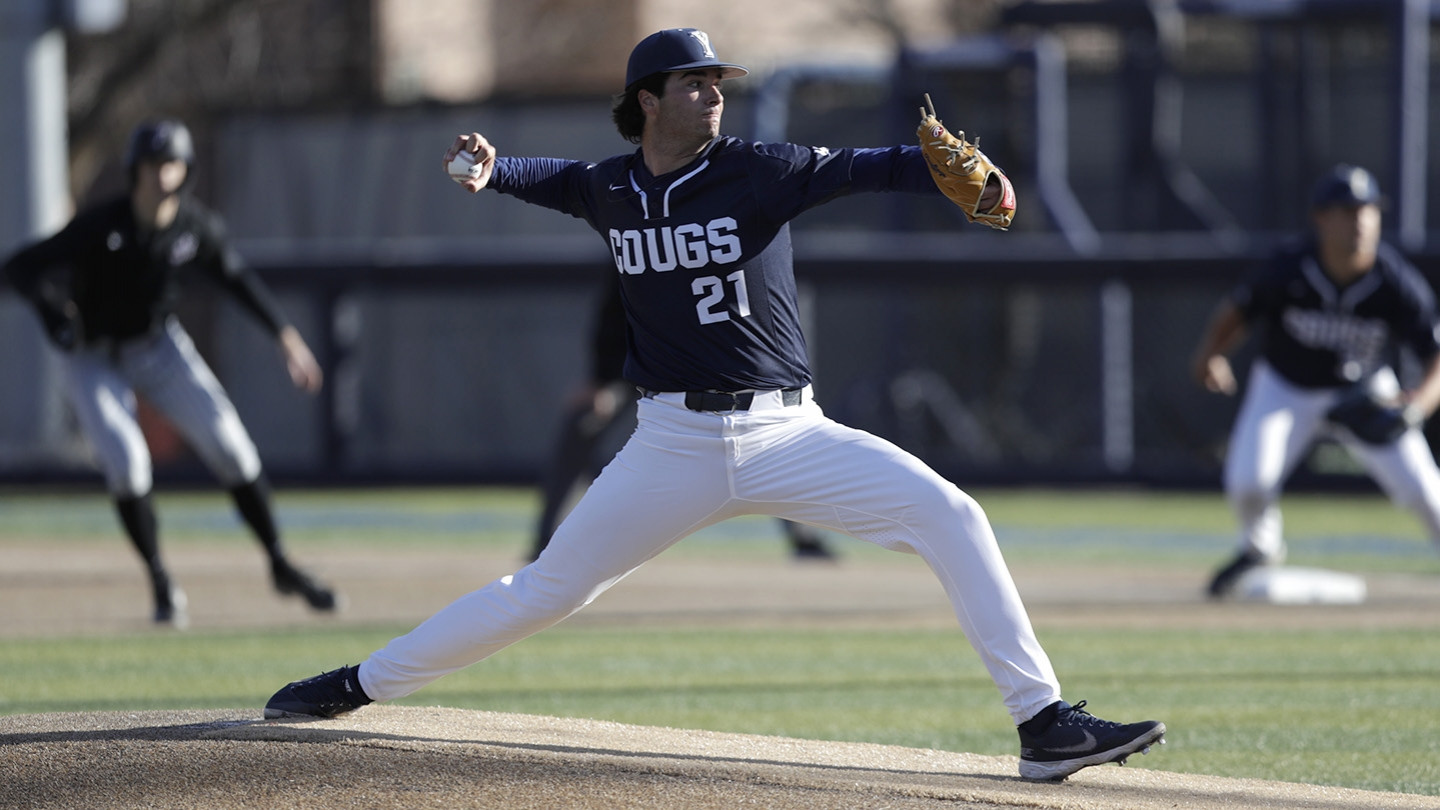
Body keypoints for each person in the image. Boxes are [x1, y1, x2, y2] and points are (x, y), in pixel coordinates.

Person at [266, 28, 1164, 781]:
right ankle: (360, 682)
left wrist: (950, 175)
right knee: (544, 590)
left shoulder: (759, 169)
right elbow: (558, 179)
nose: (714, 93)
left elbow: (864, 166)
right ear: (647, 100)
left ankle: (1042, 724)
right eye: (693, 82)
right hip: (673, 444)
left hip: (788, 431)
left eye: (717, 81)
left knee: (953, 514)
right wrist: (494, 170)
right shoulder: (613, 188)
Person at [3, 119, 340, 627]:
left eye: (171, 164)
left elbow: (234, 275)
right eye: (152, 165)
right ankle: (161, 581)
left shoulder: (191, 227)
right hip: (93, 355)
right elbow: (20, 268)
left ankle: (280, 563)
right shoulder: (102, 226)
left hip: (158, 346)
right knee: (127, 462)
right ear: (134, 171)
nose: (162, 175)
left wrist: (285, 336)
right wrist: (54, 311)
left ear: (185, 172)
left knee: (231, 447)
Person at [1191, 163, 1440, 598]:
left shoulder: (1395, 281)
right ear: (1320, 218)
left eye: (1368, 211)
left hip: (1364, 390)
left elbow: (1436, 356)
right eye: (1346, 211)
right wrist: (1210, 355)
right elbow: (1237, 312)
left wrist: (1417, 406)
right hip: (1286, 387)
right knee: (1249, 482)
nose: (1360, 221)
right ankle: (1260, 547)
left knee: (1425, 490)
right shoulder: (1291, 266)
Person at [531, 272, 838, 562]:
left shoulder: (733, 230)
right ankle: (547, 540)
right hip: (645, 363)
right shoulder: (643, 231)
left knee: (767, 436)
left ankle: (803, 537)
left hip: (722, 363)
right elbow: (614, 305)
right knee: (583, 422)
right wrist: (599, 379)